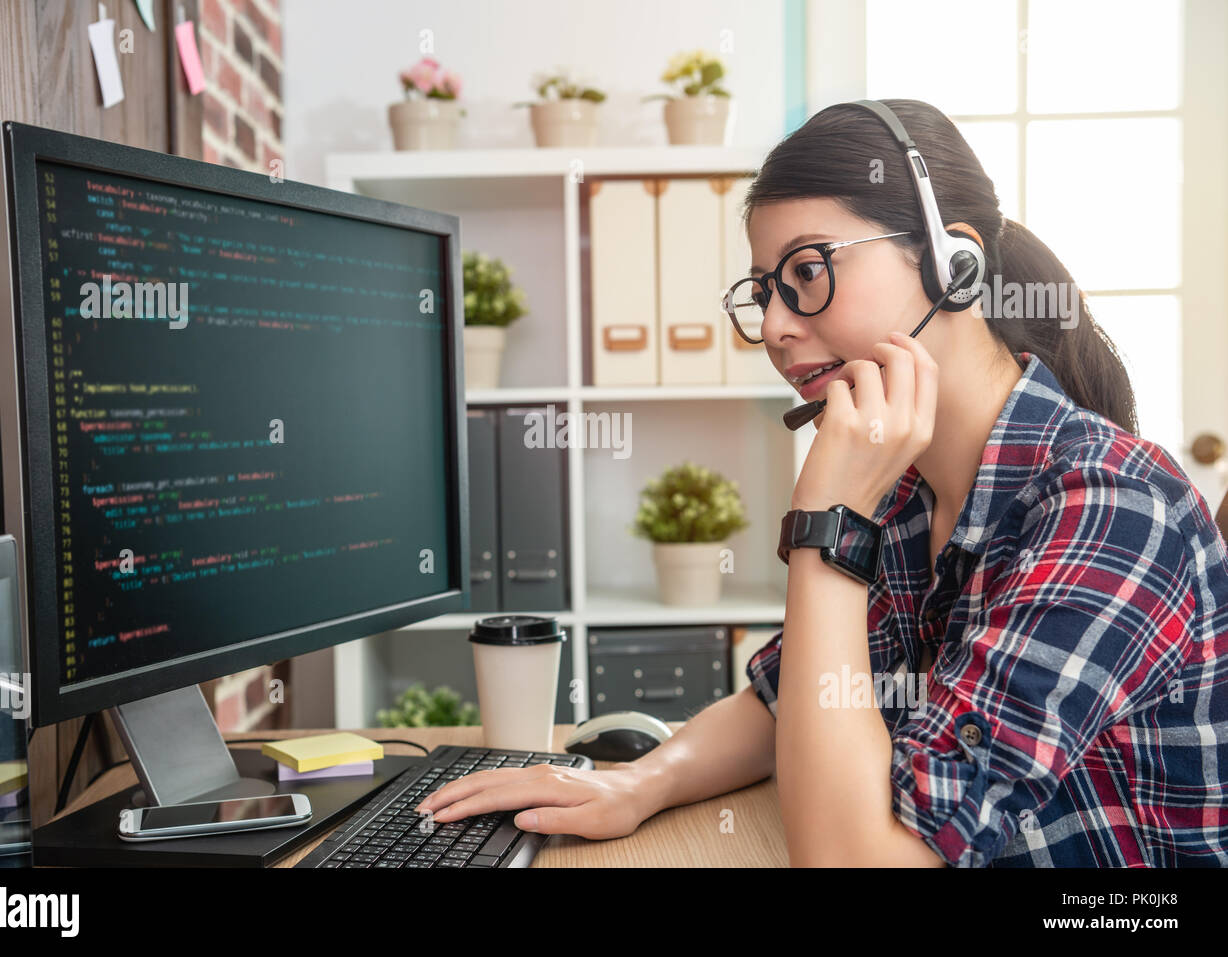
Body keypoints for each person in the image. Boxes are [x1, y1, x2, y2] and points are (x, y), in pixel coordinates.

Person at [416, 98, 1228, 866]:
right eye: (766, 289)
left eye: (808, 271)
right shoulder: (909, 489)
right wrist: (638, 780)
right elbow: (781, 701)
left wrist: (826, 523)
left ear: (955, 264)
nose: (773, 326)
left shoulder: (1113, 504)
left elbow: (851, 860)